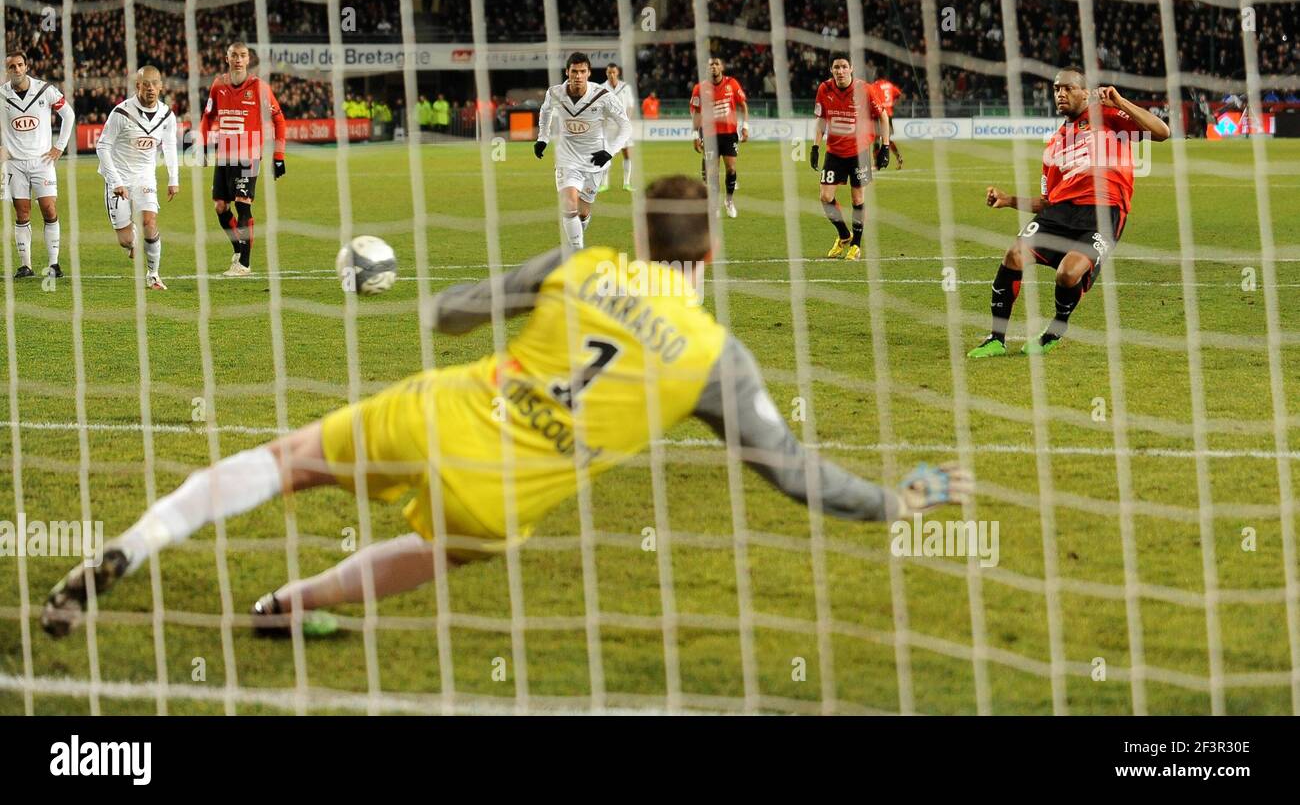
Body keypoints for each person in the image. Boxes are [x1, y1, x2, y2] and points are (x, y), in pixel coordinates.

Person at [40, 175, 972, 639]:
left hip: (442, 410)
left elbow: (452, 313)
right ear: (710, 259)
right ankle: (291, 604)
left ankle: (131, 545)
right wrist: (899, 498)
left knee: (287, 461)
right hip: (507, 489)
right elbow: (794, 474)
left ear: (640, 233)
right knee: (452, 547)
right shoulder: (715, 361)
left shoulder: (586, 265)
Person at [968, 66, 1170, 357]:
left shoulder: (1110, 118)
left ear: (1085, 92)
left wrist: (1121, 101)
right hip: (1060, 213)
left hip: (1103, 213)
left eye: (1067, 88)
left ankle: (1056, 329)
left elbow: (1162, 132)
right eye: (1056, 89)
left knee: (1067, 274)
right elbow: (1046, 201)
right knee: (1014, 255)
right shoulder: (1054, 145)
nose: (1060, 94)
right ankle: (996, 338)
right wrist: (1008, 199)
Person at [198, 42, 287, 277]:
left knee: (242, 203)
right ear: (227, 58)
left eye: (243, 56)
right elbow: (207, 117)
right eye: (234, 55)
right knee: (220, 206)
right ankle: (238, 248)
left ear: (249, 60)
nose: (238, 59)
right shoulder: (219, 85)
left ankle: (244, 264)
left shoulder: (259, 87)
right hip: (225, 155)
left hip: (248, 156)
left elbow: (279, 120)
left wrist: (279, 156)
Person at [95, 66, 180, 290]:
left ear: (161, 86)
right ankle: (133, 241)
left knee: (150, 223)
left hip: (145, 177)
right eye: (145, 84)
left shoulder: (167, 116)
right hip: (119, 178)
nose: (150, 88)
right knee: (125, 240)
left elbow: (170, 147)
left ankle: (153, 275)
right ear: (137, 86)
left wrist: (173, 178)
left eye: (154, 83)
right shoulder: (121, 113)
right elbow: (102, 147)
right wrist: (115, 181)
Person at [535, 51, 631, 250]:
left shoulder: (603, 97)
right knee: (569, 204)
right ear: (567, 72)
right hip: (567, 157)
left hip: (594, 160)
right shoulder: (554, 93)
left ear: (589, 73)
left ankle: (575, 239)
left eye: (582, 71)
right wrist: (542, 138)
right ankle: (576, 253)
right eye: (574, 71)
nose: (578, 76)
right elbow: (545, 112)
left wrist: (610, 151)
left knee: (583, 212)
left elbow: (626, 126)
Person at [1, 49, 74, 279]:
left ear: (27, 66)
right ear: (7, 70)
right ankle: (26, 265)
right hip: (15, 163)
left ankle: (53, 264)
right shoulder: (2, 95)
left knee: (49, 208)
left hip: (42, 161)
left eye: (20, 65)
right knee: (22, 213)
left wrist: (59, 147)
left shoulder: (44, 90)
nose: (17, 70)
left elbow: (69, 115)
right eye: (12, 66)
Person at [811, 56, 888, 261]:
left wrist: (885, 147)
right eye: (836, 67)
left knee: (857, 199)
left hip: (859, 152)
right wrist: (815, 147)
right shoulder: (824, 89)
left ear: (852, 68)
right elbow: (821, 120)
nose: (840, 71)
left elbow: (883, 116)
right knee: (825, 197)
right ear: (831, 70)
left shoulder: (865, 90)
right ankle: (844, 235)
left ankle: (856, 245)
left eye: (844, 66)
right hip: (834, 152)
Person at [690, 57, 748, 217]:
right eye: (710, 65)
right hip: (710, 135)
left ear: (722, 67)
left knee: (731, 169)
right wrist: (695, 134)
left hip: (729, 134)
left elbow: (743, 105)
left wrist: (745, 126)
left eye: (716, 64)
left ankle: (729, 201)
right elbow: (696, 112)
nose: (713, 67)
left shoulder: (732, 84)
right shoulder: (699, 88)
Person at [596, 63, 637, 192]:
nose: (611, 75)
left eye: (613, 72)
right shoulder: (602, 88)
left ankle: (626, 183)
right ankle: (604, 184)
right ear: (606, 73)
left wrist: (627, 120)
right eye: (609, 73)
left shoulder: (626, 87)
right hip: (608, 127)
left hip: (623, 126)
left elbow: (631, 106)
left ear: (618, 72)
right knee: (606, 154)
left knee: (627, 154)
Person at [870, 75, 904, 168]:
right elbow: (899, 95)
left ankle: (876, 163)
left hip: (879, 115)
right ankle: (898, 157)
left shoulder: (875, 85)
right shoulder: (889, 85)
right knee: (887, 139)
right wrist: (892, 104)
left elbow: (870, 98)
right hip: (889, 115)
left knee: (877, 139)